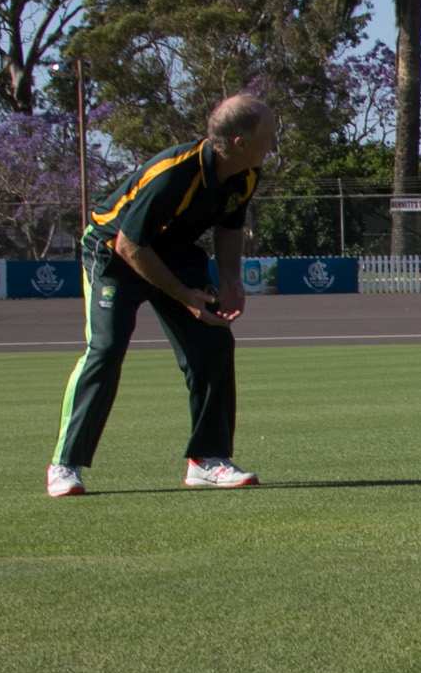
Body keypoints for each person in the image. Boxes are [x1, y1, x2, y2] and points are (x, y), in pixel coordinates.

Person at [47, 95, 276, 497]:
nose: (273, 141)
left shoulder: (246, 174)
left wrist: (230, 282)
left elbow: (229, 227)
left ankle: (207, 459)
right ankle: (65, 465)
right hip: (113, 252)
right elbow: (129, 246)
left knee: (214, 341)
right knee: (106, 348)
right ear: (239, 141)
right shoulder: (173, 175)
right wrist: (187, 297)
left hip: (174, 253)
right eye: (268, 134)